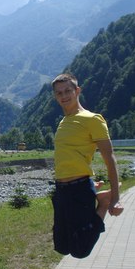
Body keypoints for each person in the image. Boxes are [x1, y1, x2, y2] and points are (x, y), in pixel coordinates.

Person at [50, 73, 123, 259]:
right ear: (55, 96)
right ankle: (97, 193)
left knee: (80, 250)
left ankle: (103, 203)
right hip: (61, 189)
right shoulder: (64, 122)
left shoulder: (92, 119)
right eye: (59, 93)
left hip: (79, 188)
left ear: (77, 91)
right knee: (62, 246)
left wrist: (115, 198)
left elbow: (110, 158)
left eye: (68, 91)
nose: (64, 96)